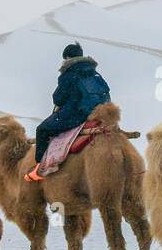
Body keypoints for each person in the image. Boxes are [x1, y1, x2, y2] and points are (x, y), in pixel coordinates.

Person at [24, 43, 111, 181]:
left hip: (76, 115)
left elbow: (58, 99)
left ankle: (40, 168)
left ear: (68, 57)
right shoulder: (95, 74)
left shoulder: (70, 73)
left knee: (42, 130)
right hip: (97, 114)